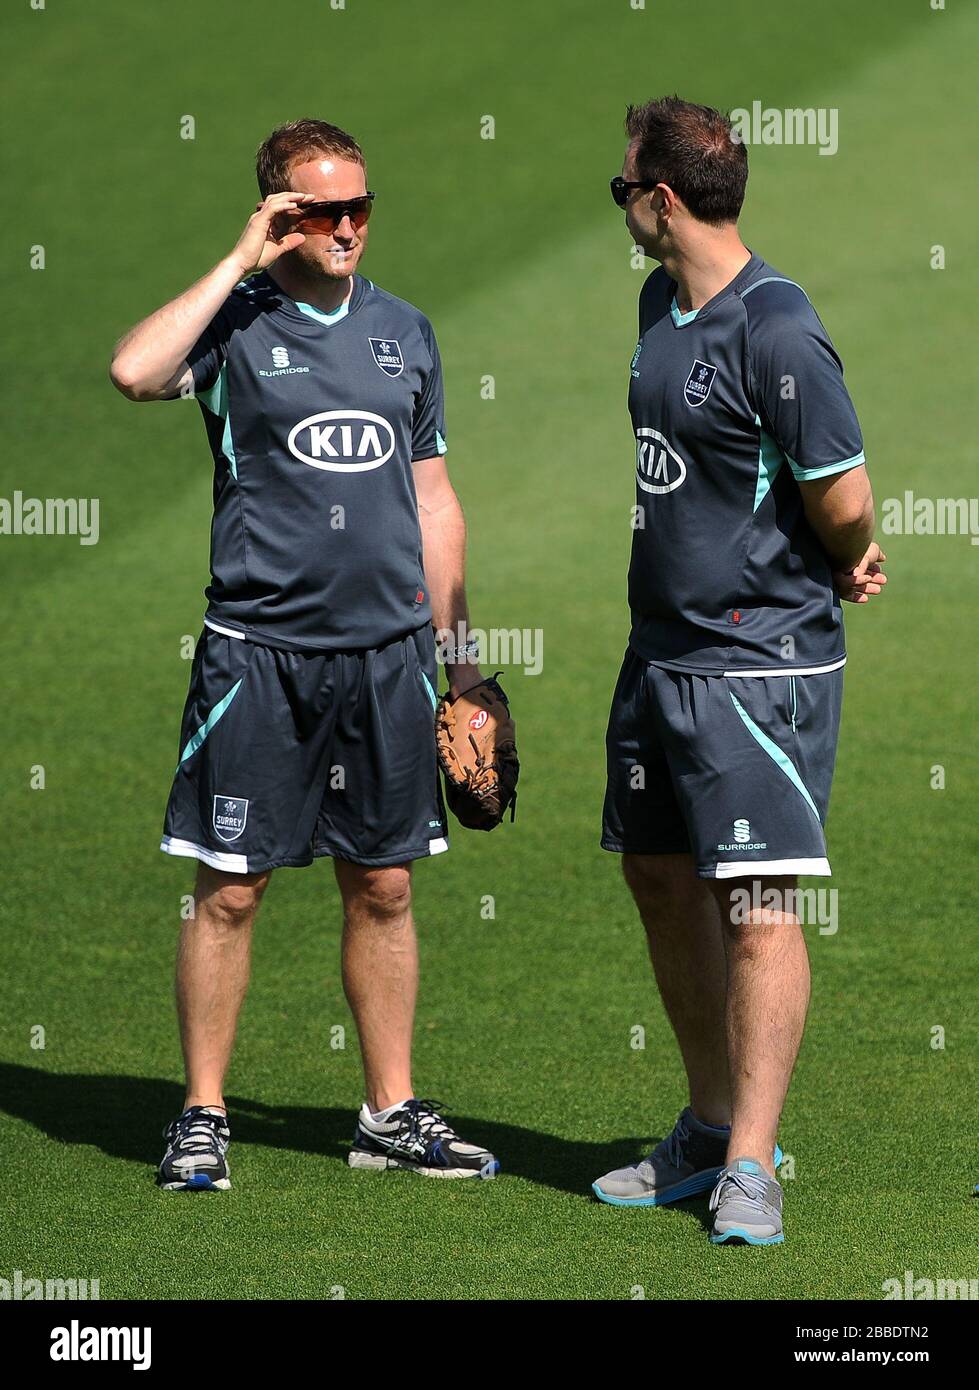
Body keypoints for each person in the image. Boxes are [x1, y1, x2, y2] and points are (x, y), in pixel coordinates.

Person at [110, 118, 498, 1190]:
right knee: (230, 889)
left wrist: (459, 665)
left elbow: (432, 496)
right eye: (319, 210)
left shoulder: (406, 332)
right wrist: (240, 260)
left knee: (384, 887)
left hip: (384, 660)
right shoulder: (237, 325)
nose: (344, 227)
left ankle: (388, 1107)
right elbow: (132, 372)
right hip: (258, 658)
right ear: (278, 212)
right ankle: (200, 1112)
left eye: (359, 207)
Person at [593, 97, 886, 1244]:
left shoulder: (779, 328)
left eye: (624, 191)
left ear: (664, 201)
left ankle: (754, 1166)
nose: (621, 208)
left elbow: (844, 489)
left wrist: (850, 554)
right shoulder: (658, 303)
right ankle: (708, 1127)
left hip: (758, 668)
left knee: (758, 902)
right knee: (661, 879)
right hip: (657, 653)